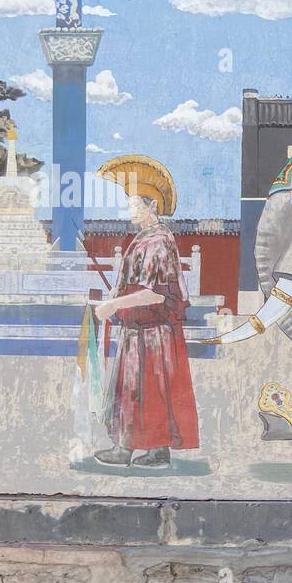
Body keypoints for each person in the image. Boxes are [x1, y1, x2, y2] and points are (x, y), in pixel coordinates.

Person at [92, 155, 199, 468]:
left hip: (153, 333)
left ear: (152, 207)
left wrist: (114, 304)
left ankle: (153, 448)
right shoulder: (143, 239)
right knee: (129, 388)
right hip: (137, 330)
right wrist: (115, 297)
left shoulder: (157, 241)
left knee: (148, 389)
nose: (130, 211)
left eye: (135, 205)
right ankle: (127, 446)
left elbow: (152, 293)